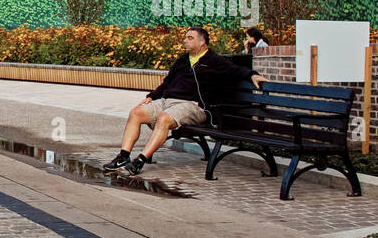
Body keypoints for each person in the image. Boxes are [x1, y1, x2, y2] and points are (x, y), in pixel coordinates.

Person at [103, 26, 265, 176]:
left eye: (190, 38)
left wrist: (253, 75)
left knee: (164, 118)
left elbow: (237, 70)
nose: (185, 40)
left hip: (194, 106)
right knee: (136, 112)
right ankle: (123, 157)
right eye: (185, 37)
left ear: (202, 42)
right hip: (168, 100)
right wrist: (152, 96)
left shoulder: (214, 60)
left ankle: (140, 160)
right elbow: (167, 81)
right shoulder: (183, 60)